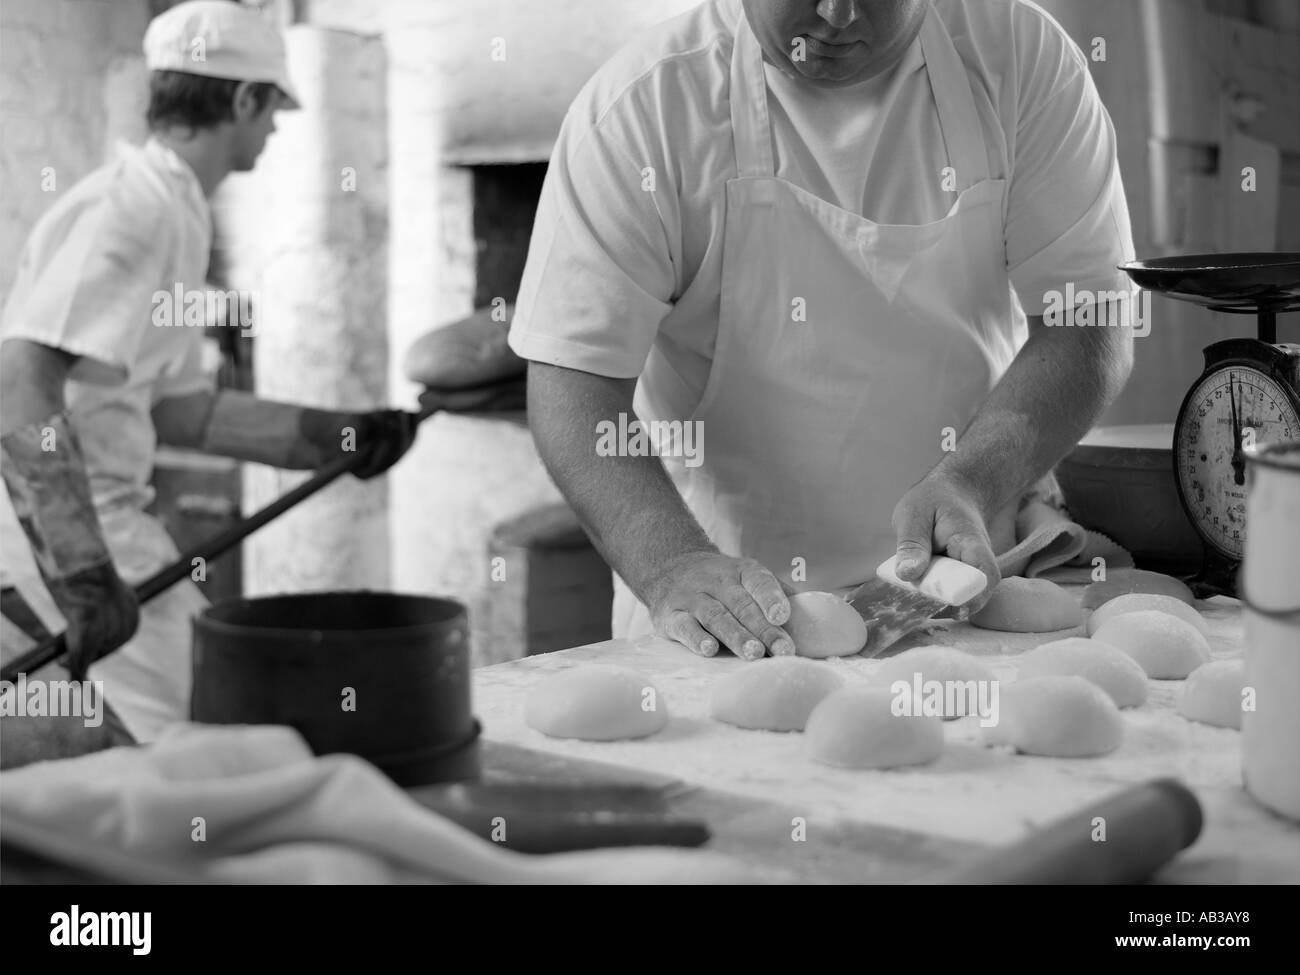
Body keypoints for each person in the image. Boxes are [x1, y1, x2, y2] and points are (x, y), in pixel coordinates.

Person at [508, 0, 1136, 659]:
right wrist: (670, 565)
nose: (837, 13)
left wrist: (974, 480)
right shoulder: (645, 111)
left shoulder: (1019, 58)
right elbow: (573, 386)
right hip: (729, 637)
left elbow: (1087, 320)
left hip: (969, 605)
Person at [0, 0, 415, 754]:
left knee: (195, 731)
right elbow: (19, 378)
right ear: (242, 98)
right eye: (273, 106)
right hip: (58, 535)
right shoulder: (129, 207)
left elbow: (178, 410)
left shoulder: (177, 210)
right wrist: (81, 570)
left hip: (108, 524)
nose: (277, 126)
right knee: (200, 745)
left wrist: (332, 434)